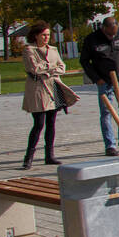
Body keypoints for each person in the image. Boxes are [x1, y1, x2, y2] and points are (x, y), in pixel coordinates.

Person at [22, 21, 75, 168]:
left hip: (53, 88)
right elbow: (34, 69)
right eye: (43, 35)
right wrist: (51, 67)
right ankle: (29, 157)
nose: (46, 38)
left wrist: (48, 69)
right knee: (38, 124)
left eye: (48, 35)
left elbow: (62, 67)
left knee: (51, 123)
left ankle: (49, 155)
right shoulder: (29, 50)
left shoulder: (53, 50)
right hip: (37, 89)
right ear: (36, 35)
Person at [80, 16, 119, 156]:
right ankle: (110, 145)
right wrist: (96, 79)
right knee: (106, 112)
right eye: (110, 33)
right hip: (104, 80)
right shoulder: (92, 39)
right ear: (103, 28)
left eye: (114, 33)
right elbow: (84, 61)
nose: (113, 36)